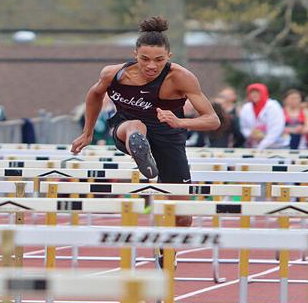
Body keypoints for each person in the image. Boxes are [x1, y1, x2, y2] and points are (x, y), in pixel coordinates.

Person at [71, 16, 219, 230]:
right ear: (135, 55)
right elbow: (94, 95)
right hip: (128, 128)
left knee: (183, 217)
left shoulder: (180, 77)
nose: (151, 66)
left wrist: (179, 122)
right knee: (135, 125)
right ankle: (139, 146)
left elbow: (213, 119)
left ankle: (166, 250)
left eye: (159, 60)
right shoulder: (115, 74)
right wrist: (88, 132)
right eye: (145, 59)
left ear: (169, 56)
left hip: (169, 137)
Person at [236, 82, 286, 149]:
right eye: (252, 93)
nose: (254, 95)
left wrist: (263, 145)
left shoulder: (273, 106)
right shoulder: (246, 107)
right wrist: (250, 134)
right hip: (254, 146)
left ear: (263, 92)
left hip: (276, 146)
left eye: (257, 92)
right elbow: (244, 127)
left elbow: (276, 129)